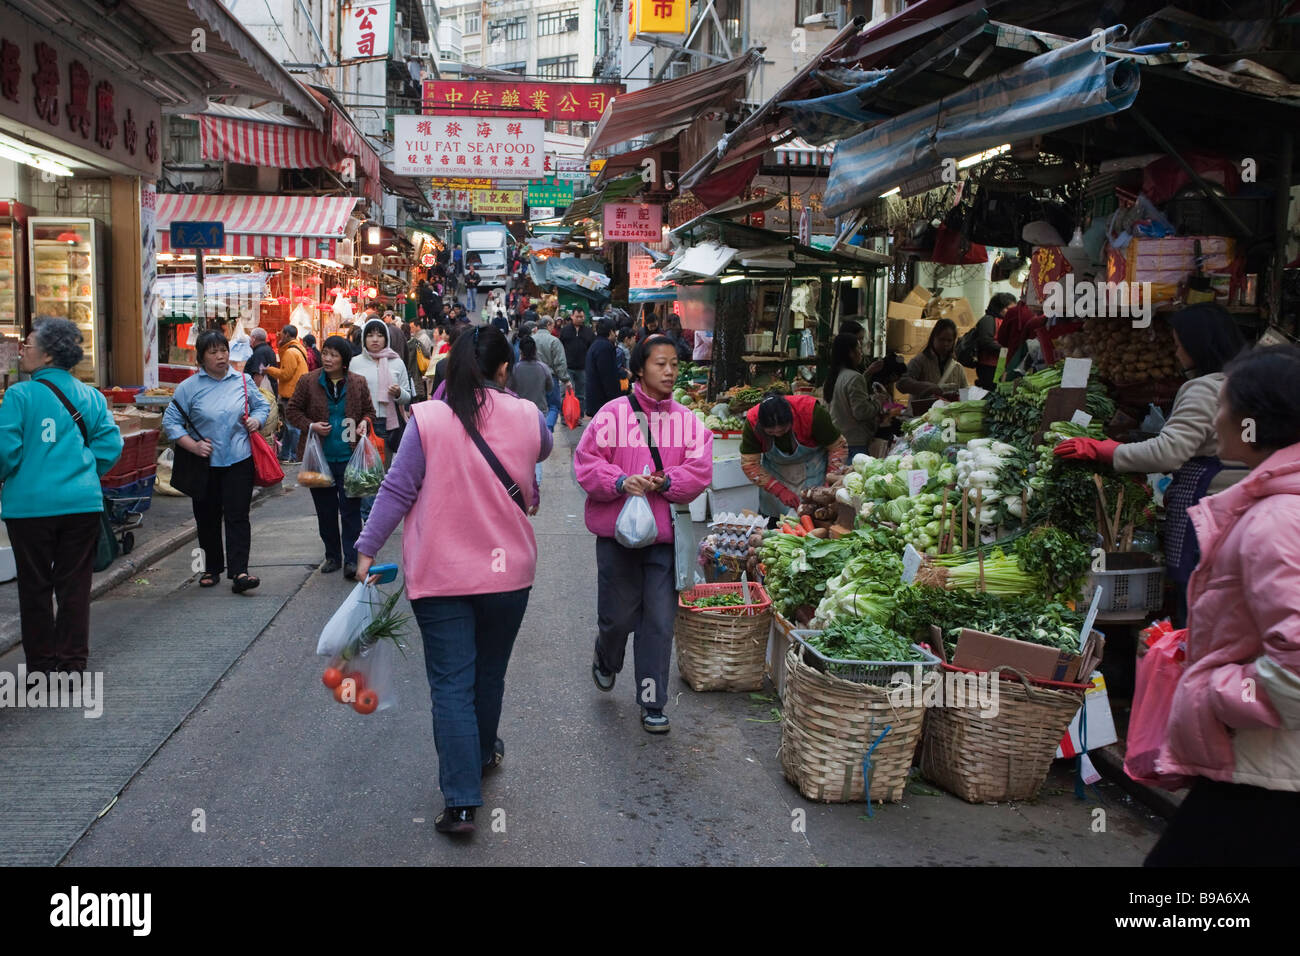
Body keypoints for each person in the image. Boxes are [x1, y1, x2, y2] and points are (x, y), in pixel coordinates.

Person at [353, 326, 552, 835]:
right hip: (509, 577)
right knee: (488, 674)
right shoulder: (526, 415)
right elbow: (542, 452)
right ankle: (482, 754)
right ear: (504, 370)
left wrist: (366, 548)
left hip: (441, 575)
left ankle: (462, 802)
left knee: (451, 684)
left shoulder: (429, 420)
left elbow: (398, 489)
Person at [1142, 344, 1300, 867]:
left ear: (1255, 421)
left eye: (1224, 404)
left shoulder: (1277, 518)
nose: (1216, 417)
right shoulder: (1273, 505)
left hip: (1267, 768)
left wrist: (1217, 693)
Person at [1054, 303, 1248, 626]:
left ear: (1197, 344)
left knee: (1198, 608)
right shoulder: (1246, 384)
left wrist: (1109, 451)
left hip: (1209, 516)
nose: (1175, 351)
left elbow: (1169, 452)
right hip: (1235, 519)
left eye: (1177, 343)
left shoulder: (1204, 389)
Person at [575, 335, 714, 734]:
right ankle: (607, 655)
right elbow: (586, 465)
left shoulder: (688, 421)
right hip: (616, 537)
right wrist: (620, 481)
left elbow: (700, 469)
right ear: (638, 369)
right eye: (660, 364)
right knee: (617, 618)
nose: (670, 371)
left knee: (658, 622)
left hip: (663, 541)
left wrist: (665, 481)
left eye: (674, 364)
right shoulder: (611, 416)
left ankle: (652, 700)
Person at [0, 319, 123, 673]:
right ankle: (72, 663)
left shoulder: (19, 395)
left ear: (49, 354)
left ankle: (41, 665)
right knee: (74, 586)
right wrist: (85, 471)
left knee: (35, 586)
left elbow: (6, 451)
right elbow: (110, 443)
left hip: (29, 507)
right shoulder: (91, 395)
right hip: (81, 503)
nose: (22, 349)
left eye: (28, 343)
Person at [163, 329, 270, 594]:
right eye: (214, 352)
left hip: (238, 459)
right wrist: (193, 445)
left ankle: (240, 571)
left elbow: (262, 406)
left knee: (238, 516)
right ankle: (209, 569)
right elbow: (170, 422)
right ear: (201, 358)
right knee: (206, 518)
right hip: (205, 464)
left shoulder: (243, 381)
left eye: (223, 350)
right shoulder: (189, 388)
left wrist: (257, 420)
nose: (221, 356)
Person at [287, 335, 373, 579]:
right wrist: (311, 425)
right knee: (325, 511)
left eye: (333, 355)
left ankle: (352, 559)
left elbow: (369, 411)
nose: (327, 358)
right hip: (319, 459)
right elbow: (292, 410)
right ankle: (332, 556)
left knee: (350, 511)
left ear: (344, 360)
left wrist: (364, 423)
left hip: (349, 457)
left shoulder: (357, 383)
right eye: (325, 353)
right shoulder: (308, 381)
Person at [740, 393, 847, 517]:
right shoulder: (752, 422)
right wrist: (779, 491)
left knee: (815, 518)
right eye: (771, 432)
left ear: (792, 418)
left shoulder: (811, 413)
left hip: (814, 473)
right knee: (774, 526)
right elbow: (750, 463)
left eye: (783, 430)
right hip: (775, 476)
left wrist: (829, 485)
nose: (778, 434)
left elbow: (837, 447)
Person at [349, 318, 412, 509]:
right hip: (363, 426)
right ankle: (369, 517)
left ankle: (376, 515)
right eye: (370, 335)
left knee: (382, 476)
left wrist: (399, 393)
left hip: (388, 425)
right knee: (367, 475)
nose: (375, 339)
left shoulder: (397, 362)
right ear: (363, 339)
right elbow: (350, 398)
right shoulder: (355, 363)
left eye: (379, 335)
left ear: (386, 338)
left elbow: (408, 396)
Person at [825, 332, 888, 461]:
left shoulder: (833, 376)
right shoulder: (854, 377)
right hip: (854, 442)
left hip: (838, 439)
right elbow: (861, 412)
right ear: (850, 352)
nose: (861, 352)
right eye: (859, 348)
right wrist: (878, 402)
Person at [509, 335, 554, 493]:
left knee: (520, 446)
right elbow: (550, 387)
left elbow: (508, 389)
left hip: (518, 412)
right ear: (535, 350)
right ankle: (537, 480)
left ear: (520, 351)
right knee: (536, 447)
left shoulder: (514, 369)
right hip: (539, 412)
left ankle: (521, 478)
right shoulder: (543, 368)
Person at [264, 325, 310, 462]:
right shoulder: (299, 348)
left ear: (288, 335)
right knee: (290, 428)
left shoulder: (290, 352)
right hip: (296, 392)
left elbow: (285, 374)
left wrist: (269, 370)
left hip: (291, 394)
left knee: (292, 427)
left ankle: (295, 456)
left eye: (282, 334)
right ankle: (285, 455)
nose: (280, 336)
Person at [898, 318, 966, 404]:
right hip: (922, 415)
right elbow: (901, 383)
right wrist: (927, 387)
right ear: (933, 338)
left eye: (949, 341)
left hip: (948, 416)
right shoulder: (919, 361)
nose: (945, 344)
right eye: (941, 339)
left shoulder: (958, 368)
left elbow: (965, 395)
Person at [969, 292, 1016, 389]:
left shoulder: (1005, 321)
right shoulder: (988, 320)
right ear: (998, 308)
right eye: (1008, 309)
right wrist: (1007, 349)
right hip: (989, 367)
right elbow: (986, 342)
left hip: (1001, 366)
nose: (1011, 312)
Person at [533, 316, 569, 430]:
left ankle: (538, 431)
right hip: (551, 377)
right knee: (553, 406)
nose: (553, 328)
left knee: (537, 407)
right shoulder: (554, 341)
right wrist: (565, 379)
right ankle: (547, 430)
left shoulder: (531, 339)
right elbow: (560, 362)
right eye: (552, 325)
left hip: (534, 377)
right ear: (548, 324)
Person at [559, 307, 595, 416]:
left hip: (582, 368)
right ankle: (566, 416)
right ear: (572, 316)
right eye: (577, 317)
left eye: (582, 317)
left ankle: (578, 416)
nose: (580, 319)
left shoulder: (588, 331)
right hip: (568, 367)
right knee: (567, 393)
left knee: (581, 394)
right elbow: (560, 347)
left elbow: (592, 348)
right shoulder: (565, 330)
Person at [584, 318, 623, 415]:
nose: (616, 335)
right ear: (611, 332)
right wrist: (615, 400)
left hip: (595, 399)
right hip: (602, 402)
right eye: (615, 331)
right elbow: (608, 376)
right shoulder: (605, 347)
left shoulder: (596, 344)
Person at [405, 319, 433, 402]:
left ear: (418, 326)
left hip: (420, 371)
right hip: (418, 372)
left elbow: (425, 354)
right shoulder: (416, 338)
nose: (411, 329)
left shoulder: (422, 338)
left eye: (412, 327)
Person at [246, 327, 278, 395]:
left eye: (250, 338)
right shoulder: (268, 349)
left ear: (253, 338)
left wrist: (255, 393)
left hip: (263, 392)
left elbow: (258, 374)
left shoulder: (259, 352)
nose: (249, 341)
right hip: (271, 389)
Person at [616, 326, 637, 392]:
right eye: (633, 338)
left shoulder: (625, 350)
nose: (635, 340)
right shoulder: (619, 352)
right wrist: (626, 373)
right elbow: (618, 369)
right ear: (627, 339)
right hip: (622, 385)